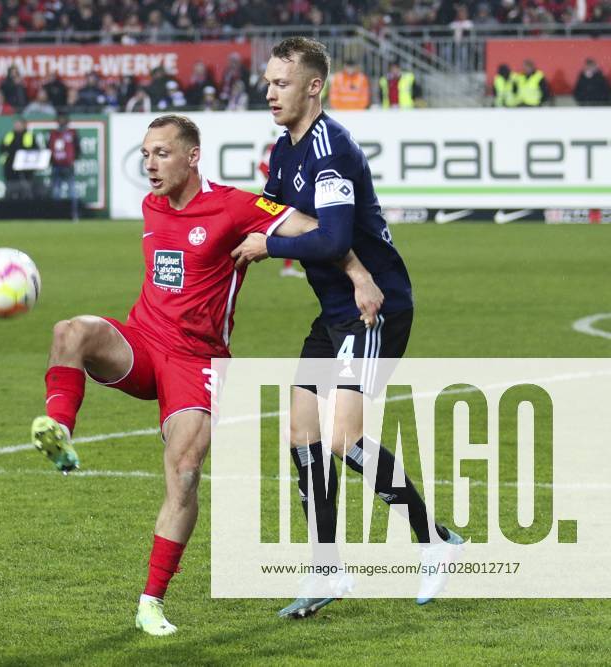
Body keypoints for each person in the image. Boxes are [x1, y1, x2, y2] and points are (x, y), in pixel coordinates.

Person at [30, 114, 382, 636]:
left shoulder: (235, 205)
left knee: (186, 470)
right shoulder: (152, 206)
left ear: (192, 156)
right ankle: (60, 430)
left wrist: (359, 275)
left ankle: (151, 601)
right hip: (143, 343)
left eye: (162, 154)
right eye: (146, 154)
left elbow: (314, 230)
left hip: (198, 362)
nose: (150, 165)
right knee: (69, 332)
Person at [231, 37, 464, 618]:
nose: (268, 92)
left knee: (345, 439)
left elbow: (330, 238)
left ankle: (435, 540)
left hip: (375, 308)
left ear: (313, 86)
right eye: (267, 81)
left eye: (281, 83)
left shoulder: (331, 148)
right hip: (335, 309)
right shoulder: (285, 151)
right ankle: (328, 569)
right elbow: (269, 210)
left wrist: (270, 243)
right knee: (301, 432)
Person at [48, 112, 81, 221]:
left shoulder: (72, 133)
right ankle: (57, 215)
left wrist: (73, 160)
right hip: (56, 165)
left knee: (72, 192)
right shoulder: (53, 134)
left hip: (68, 166)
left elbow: (77, 148)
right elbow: (49, 148)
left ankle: (74, 214)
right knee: (56, 192)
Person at [0, 117, 38, 199]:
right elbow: (1, 148)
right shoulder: (9, 136)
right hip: (10, 168)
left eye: (19, 124)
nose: (16, 126)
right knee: (10, 190)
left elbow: (35, 150)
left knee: (26, 191)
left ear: (24, 125)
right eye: (15, 124)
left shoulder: (29, 136)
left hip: (26, 170)